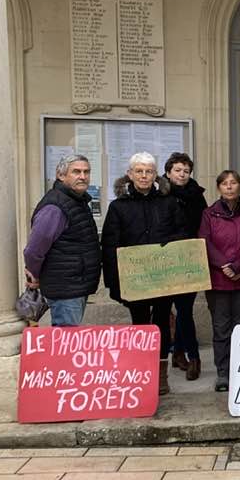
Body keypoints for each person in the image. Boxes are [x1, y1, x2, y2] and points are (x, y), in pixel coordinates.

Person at [102, 153, 186, 396]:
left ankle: (160, 376)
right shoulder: (118, 207)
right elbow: (109, 245)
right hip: (134, 281)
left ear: (155, 175)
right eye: (139, 171)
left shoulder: (168, 203)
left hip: (163, 278)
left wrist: (163, 248)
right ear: (130, 174)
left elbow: (181, 233)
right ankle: (141, 374)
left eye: (148, 171)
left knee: (160, 324)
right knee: (139, 325)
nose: (144, 176)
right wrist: (114, 283)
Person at [23, 154, 101, 326]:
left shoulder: (77, 201)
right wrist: (34, 274)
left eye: (86, 172)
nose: (83, 176)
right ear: (61, 175)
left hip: (75, 285)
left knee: (68, 342)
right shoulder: (55, 207)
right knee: (65, 343)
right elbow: (34, 250)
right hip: (65, 289)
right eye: (76, 172)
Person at [200, 170, 240, 392]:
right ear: (219, 188)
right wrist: (224, 265)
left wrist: (238, 266)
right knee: (221, 329)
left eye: (233, 183)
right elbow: (204, 241)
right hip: (219, 281)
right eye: (225, 183)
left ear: (239, 187)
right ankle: (223, 373)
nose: (230, 187)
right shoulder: (209, 214)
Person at [161, 152, 207, 381]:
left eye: (186, 171)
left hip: (190, 259)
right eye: (177, 170)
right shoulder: (159, 195)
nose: (182, 174)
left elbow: (205, 224)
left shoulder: (197, 196)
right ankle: (177, 352)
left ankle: (193, 357)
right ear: (168, 172)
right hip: (165, 260)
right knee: (167, 311)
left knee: (185, 311)